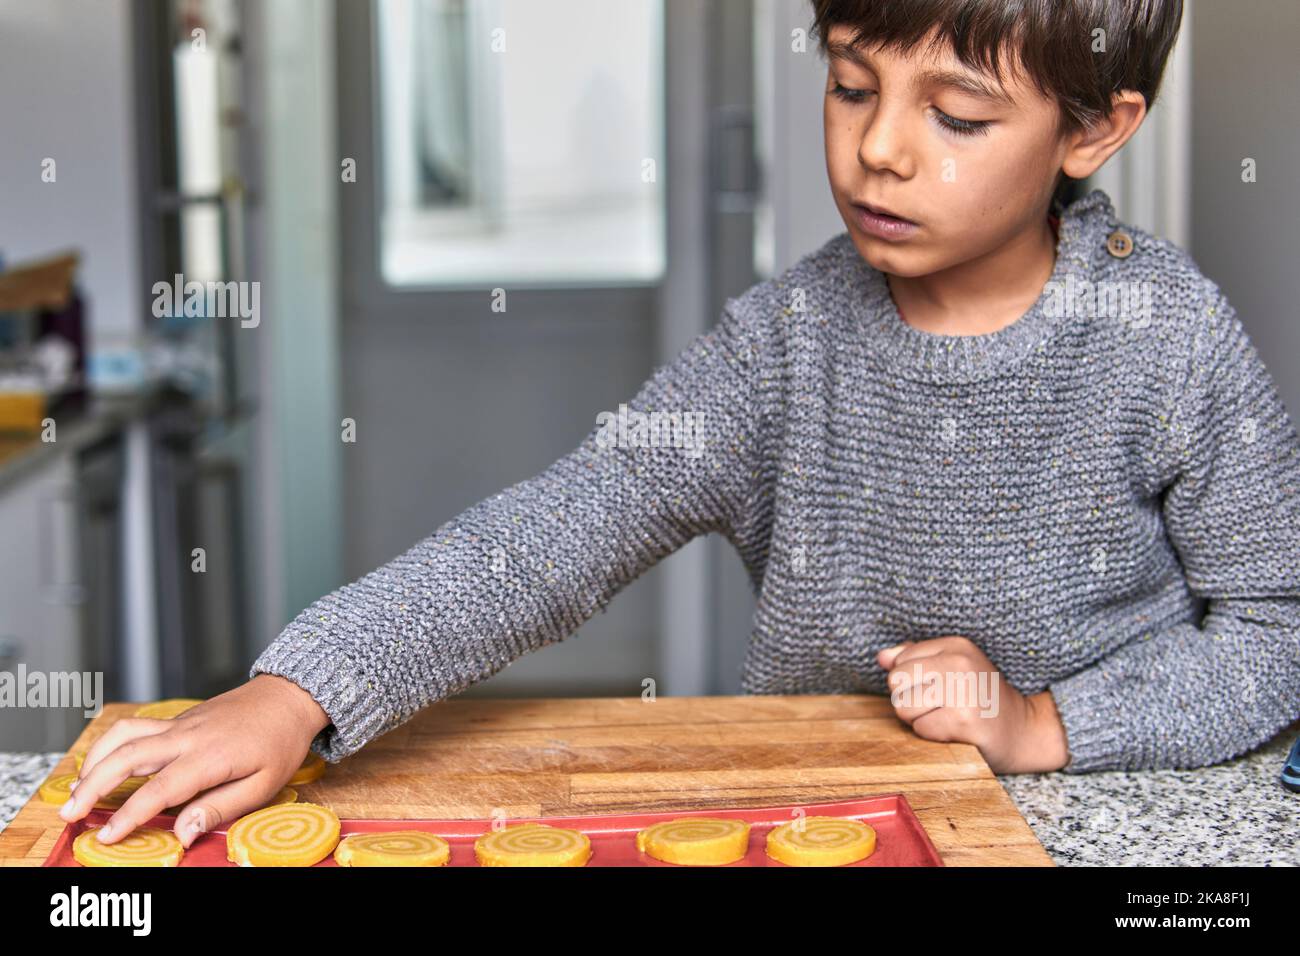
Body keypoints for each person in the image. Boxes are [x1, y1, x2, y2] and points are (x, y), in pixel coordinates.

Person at [65, 0, 1299, 850]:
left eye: (956, 118)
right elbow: (554, 532)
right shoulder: (782, 343)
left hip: (1106, 819)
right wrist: (297, 690)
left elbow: (1275, 633)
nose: (876, 148)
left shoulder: (1162, 331)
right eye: (852, 83)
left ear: (1092, 128)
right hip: (833, 828)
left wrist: (1041, 725)